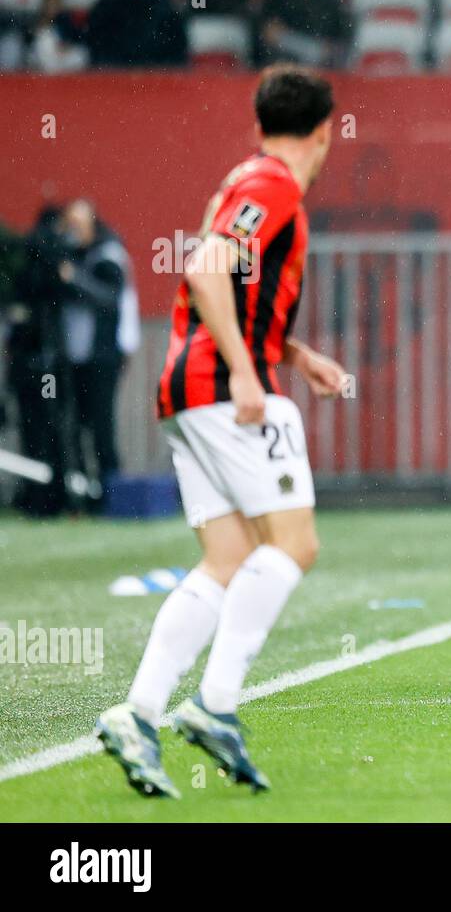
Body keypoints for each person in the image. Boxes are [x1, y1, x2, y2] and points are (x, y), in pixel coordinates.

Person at [95, 66, 350, 798]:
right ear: (326, 132)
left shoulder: (244, 179)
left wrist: (292, 355)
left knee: (229, 557)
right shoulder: (272, 188)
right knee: (294, 543)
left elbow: (231, 286)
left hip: (184, 386)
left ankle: (139, 712)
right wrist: (246, 372)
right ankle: (215, 704)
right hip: (219, 387)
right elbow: (207, 273)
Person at [58, 200, 130, 509]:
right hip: (75, 357)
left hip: (103, 356)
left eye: (78, 223)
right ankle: (85, 495)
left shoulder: (109, 254)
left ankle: (112, 496)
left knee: (102, 425)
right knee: (76, 425)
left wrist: (74, 279)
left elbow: (110, 299)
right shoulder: (70, 254)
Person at [6, 206, 72, 517]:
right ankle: (50, 494)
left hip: (39, 363)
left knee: (41, 426)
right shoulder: (49, 262)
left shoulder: (27, 266)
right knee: (48, 423)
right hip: (47, 363)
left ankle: (44, 495)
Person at [86, 0, 188, 67]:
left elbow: (176, 38)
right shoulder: (110, 2)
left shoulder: (162, 3)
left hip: (155, 66)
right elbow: (97, 36)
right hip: (119, 66)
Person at [256, 0, 350, 68]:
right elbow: (268, 29)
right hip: (289, 43)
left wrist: (328, 39)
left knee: (318, 52)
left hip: (320, 44)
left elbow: (336, 23)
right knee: (310, 52)